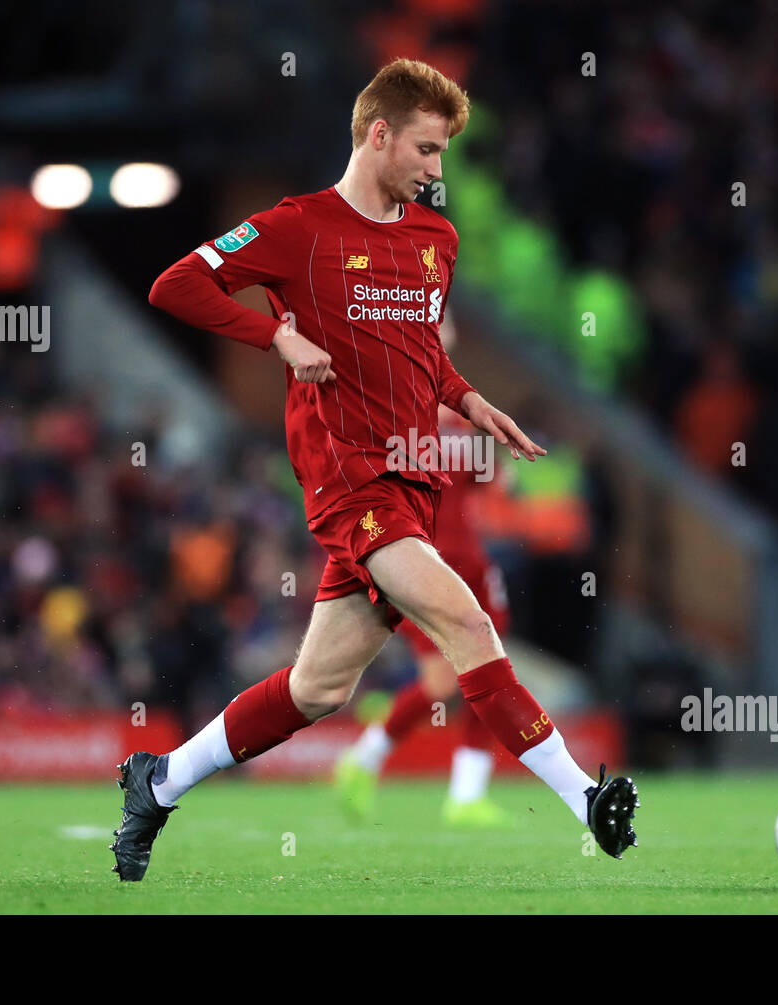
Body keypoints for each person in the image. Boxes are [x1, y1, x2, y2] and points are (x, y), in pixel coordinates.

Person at [113, 57, 637, 881]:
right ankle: (587, 800)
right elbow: (173, 285)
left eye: (444, 157)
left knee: (318, 689)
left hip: (415, 480)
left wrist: (469, 402)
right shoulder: (296, 228)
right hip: (348, 483)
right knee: (468, 621)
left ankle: (161, 780)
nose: (436, 172)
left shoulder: (437, 240)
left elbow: (423, 353)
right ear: (378, 134)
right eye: (427, 151)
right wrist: (273, 335)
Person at [335, 362, 513, 828]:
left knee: (491, 668)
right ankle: (366, 757)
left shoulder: (461, 412)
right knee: (441, 683)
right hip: (421, 561)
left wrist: (495, 465)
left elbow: (475, 483)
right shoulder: (392, 407)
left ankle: (467, 794)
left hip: (473, 560)